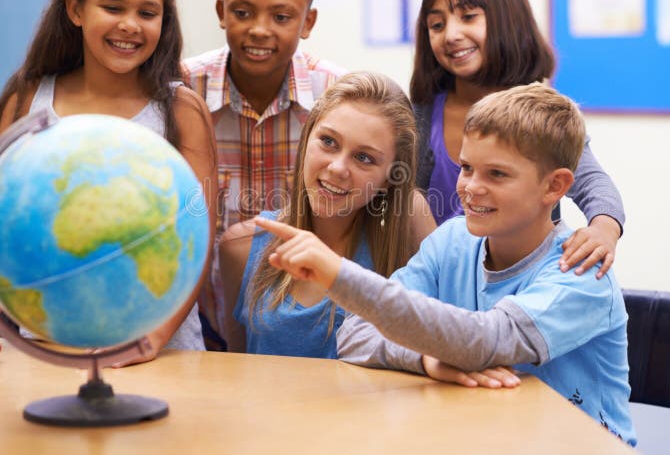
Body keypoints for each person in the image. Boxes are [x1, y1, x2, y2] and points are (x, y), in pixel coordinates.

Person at [256, 82, 637, 445]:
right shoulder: (452, 241)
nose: (470, 187)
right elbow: (354, 334)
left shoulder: (583, 272)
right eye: (467, 168)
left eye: (497, 174)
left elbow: (489, 340)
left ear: (554, 187)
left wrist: (338, 274)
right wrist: (427, 360)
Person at [0, 0, 217, 366]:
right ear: (75, 9)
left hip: (163, 358)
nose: (131, 24)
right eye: (113, 8)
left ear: (164, 22)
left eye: (148, 13)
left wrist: (146, 343)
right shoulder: (26, 99)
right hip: (48, 350)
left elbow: (198, 242)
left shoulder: (181, 110)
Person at [411, 0, 624, 278]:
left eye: (468, 17)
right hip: (440, 291)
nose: (451, 34)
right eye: (437, 25)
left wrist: (604, 229)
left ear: (506, 21)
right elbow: (408, 199)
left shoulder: (539, 114)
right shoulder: (422, 114)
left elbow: (593, 182)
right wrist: (443, 276)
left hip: (524, 285)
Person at [183, 0, 345, 347]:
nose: (259, 28)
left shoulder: (337, 97)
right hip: (199, 319)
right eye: (242, 12)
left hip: (306, 324)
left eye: (281, 16)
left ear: (307, 22)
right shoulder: (183, 91)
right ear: (221, 12)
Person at [218, 72, 439, 359]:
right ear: (307, 137)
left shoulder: (408, 227)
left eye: (364, 158)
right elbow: (236, 369)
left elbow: (441, 343)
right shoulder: (241, 248)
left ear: (389, 178)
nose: (337, 168)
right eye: (328, 141)